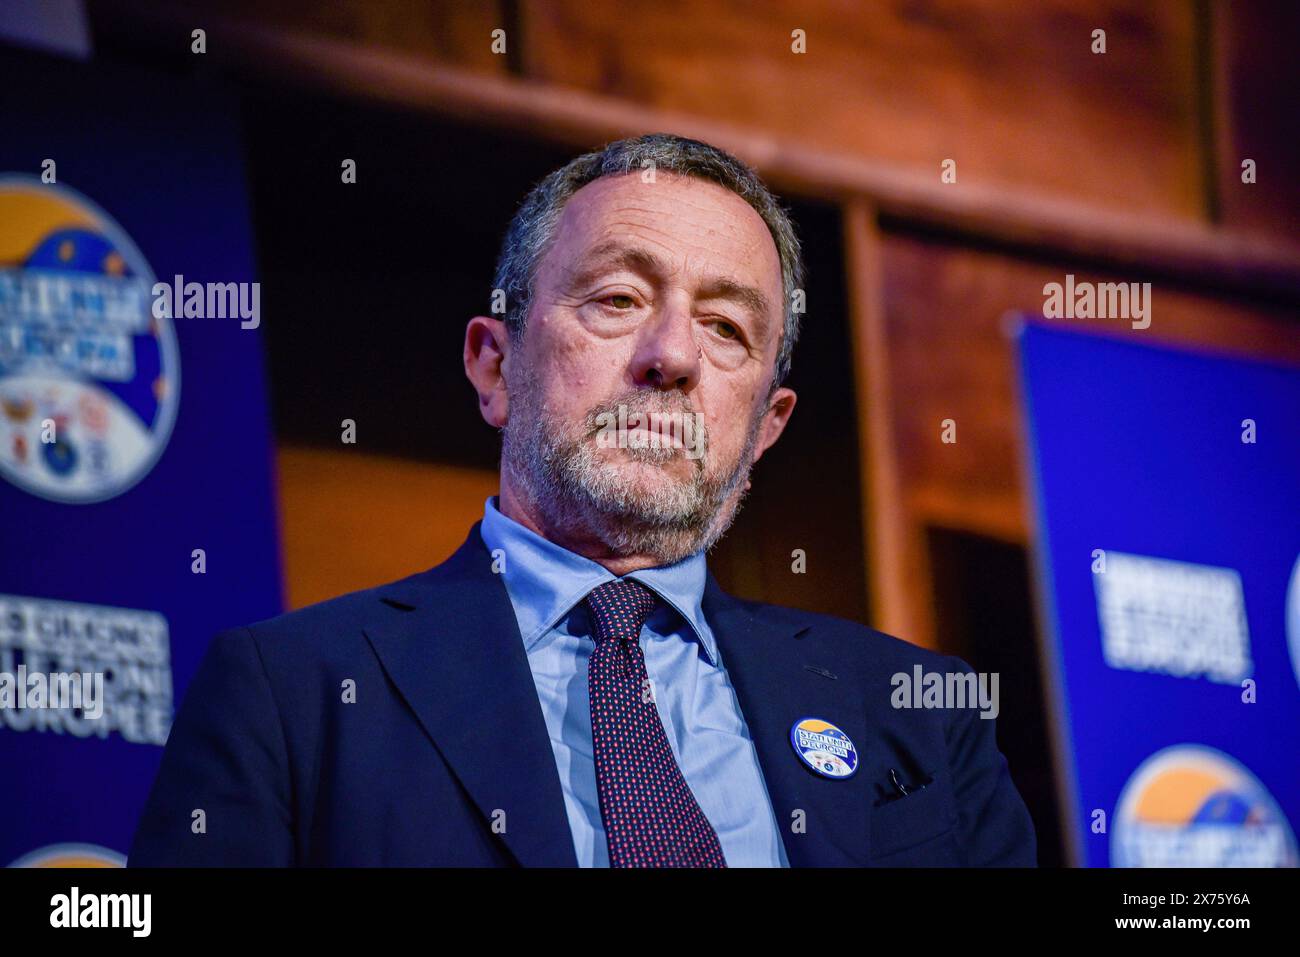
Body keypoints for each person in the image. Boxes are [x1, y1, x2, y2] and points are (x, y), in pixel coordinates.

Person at [129, 133, 1036, 867]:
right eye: (617, 297)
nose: (672, 355)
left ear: (765, 426)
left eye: (727, 327)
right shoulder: (293, 694)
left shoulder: (920, 712)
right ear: (495, 365)